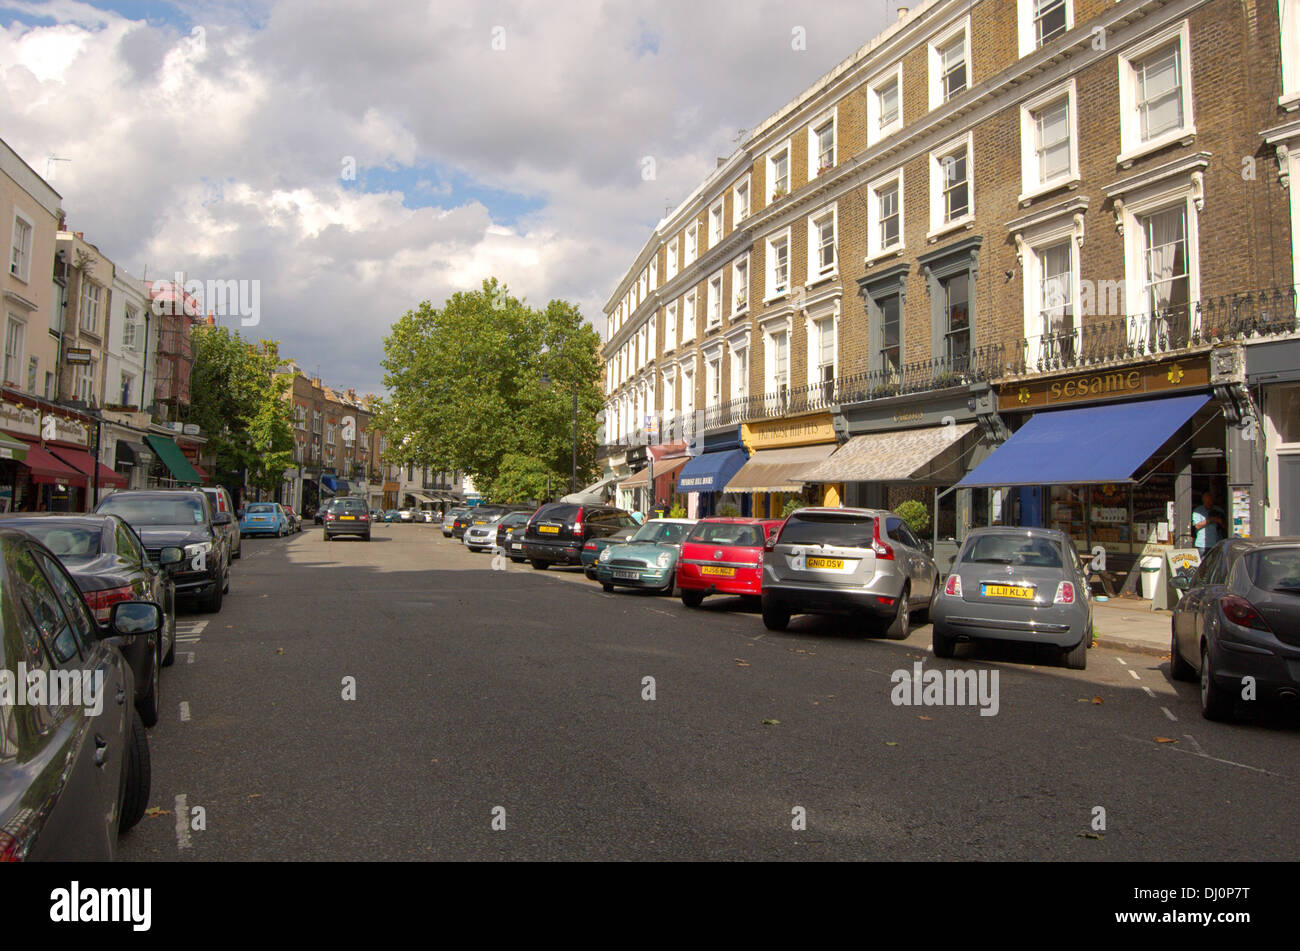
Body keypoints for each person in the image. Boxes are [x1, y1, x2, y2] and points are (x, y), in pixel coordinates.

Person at [1191, 489, 1226, 555]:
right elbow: (1196, 526)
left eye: (1210, 501)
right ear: (1203, 501)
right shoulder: (1198, 511)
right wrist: (1210, 520)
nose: (1209, 503)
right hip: (1202, 544)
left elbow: (1226, 527)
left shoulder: (1219, 510)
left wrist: (1220, 521)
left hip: (1216, 543)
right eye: (1206, 501)